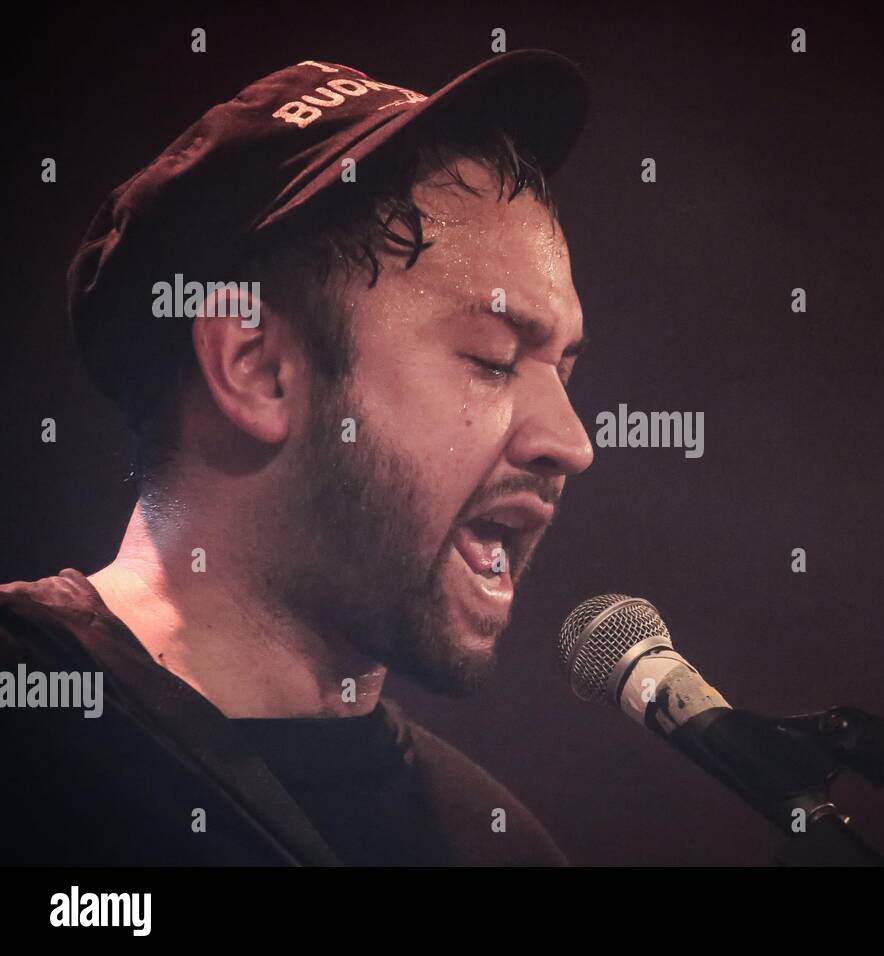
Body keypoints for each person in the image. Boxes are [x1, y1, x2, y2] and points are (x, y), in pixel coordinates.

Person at [0, 50, 594, 865]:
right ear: (258, 367)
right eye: (493, 359)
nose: (573, 443)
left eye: (563, 371)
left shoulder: (498, 844)